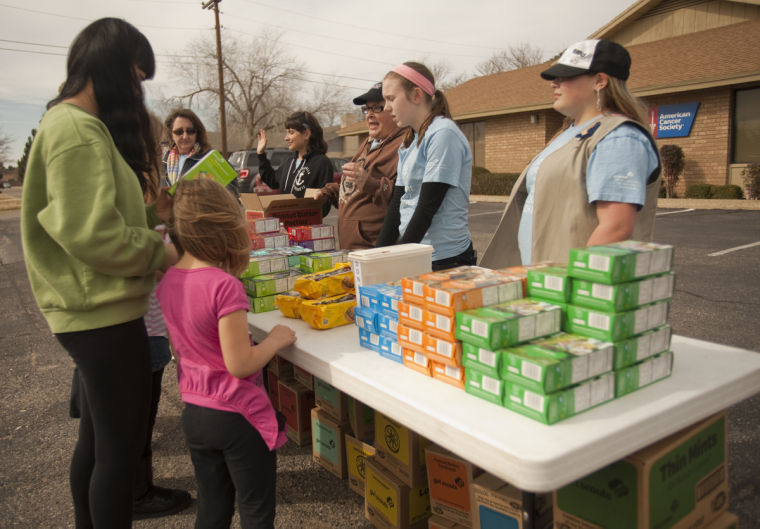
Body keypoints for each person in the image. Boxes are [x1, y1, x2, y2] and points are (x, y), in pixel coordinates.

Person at [20, 18, 176, 528]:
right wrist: (159, 252)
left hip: (93, 312)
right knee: (119, 451)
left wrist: (155, 216)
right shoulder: (78, 130)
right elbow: (94, 235)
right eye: (136, 74)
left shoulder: (73, 126)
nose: (137, 88)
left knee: (97, 441)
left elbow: (105, 214)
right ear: (111, 67)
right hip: (100, 313)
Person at [156, 178, 297, 528]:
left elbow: (183, 349)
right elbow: (239, 364)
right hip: (237, 416)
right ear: (224, 226)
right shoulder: (224, 286)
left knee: (212, 506)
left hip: (196, 414)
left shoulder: (168, 281)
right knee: (256, 511)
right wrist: (275, 340)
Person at [479, 39, 661, 268]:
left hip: (574, 289)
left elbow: (615, 228)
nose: (554, 83)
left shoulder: (618, 138)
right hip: (542, 280)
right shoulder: (570, 132)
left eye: (566, 76)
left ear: (599, 81)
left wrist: (573, 286)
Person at [375, 62, 476, 271]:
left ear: (416, 95)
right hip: (418, 252)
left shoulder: (443, 134)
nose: (386, 107)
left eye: (391, 98)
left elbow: (427, 207)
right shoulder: (410, 139)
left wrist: (399, 260)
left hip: (445, 259)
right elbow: (398, 203)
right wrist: (377, 255)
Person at [316, 82, 408, 249]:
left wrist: (370, 184)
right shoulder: (369, 142)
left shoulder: (404, 145)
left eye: (377, 108)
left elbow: (403, 199)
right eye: (367, 109)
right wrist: (330, 192)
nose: (369, 115)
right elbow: (356, 189)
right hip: (352, 248)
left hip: (375, 249)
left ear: (394, 109)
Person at [256, 111, 334, 216]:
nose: (286, 138)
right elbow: (272, 181)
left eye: (291, 132)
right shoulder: (290, 162)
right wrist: (261, 154)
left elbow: (324, 206)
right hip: (284, 226)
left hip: (306, 228)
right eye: (287, 132)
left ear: (306, 134)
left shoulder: (322, 163)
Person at [162, 108, 212, 187]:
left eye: (190, 131)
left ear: (197, 133)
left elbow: (231, 193)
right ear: (171, 134)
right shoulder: (162, 163)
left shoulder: (211, 159)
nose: (185, 136)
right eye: (179, 132)